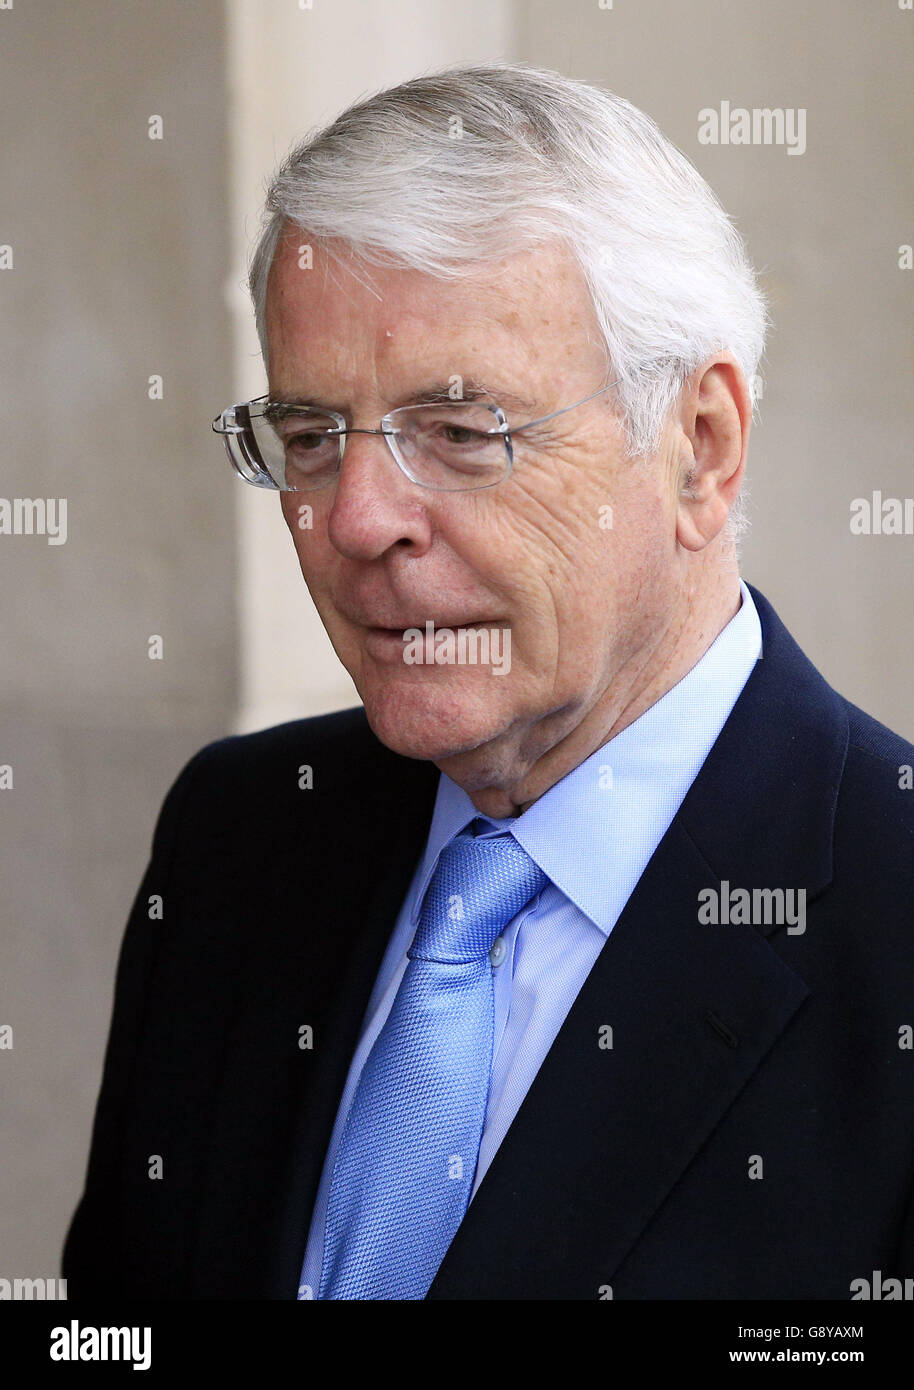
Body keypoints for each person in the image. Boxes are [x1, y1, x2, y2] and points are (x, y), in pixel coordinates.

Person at [63, 64, 914, 1300]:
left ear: (698, 450)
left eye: (462, 433)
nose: (356, 518)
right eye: (309, 436)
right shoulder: (238, 836)